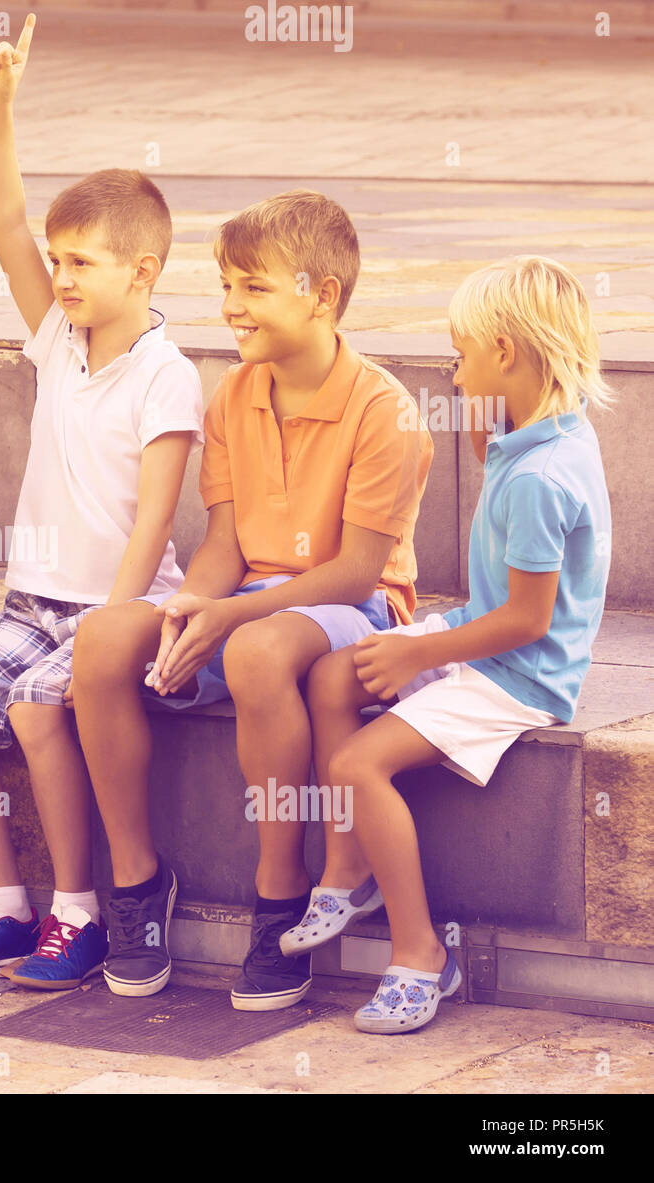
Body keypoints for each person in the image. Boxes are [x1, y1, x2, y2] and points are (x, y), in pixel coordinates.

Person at [72, 189, 434, 1000]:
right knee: (103, 638)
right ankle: (136, 885)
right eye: (226, 285)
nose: (231, 307)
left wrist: (231, 616)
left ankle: (280, 893)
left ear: (323, 295)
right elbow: (225, 546)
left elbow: (353, 571)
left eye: (254, 287)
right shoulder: (234, 394)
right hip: (251, 599)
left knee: (258, 648)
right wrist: (189, 608)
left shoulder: (386, 411)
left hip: (356, 606)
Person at [0, 13, 203, 992]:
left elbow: (156, 518)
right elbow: (0, 220)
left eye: (81, 264)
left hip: (121, 608)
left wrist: (113, 627)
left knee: (42, 704)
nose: (61, 278)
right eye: (59, 261)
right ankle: (4, 907)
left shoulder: (165, 374)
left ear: (142, 272)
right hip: (30, 600)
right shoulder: (56, 342)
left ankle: (80, 912)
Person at [300, 256, 613, 1033]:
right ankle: (351, 865)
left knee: (356, 761)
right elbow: (491, 457)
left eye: (462, 351)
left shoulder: (544, 477)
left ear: (506, 353)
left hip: (519, 676)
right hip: (484, 637)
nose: (454, 368)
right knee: (335, 675)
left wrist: (420, 653)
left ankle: (420, 954)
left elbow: (525, 621)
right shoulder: (538, 430)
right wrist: (483, 405)